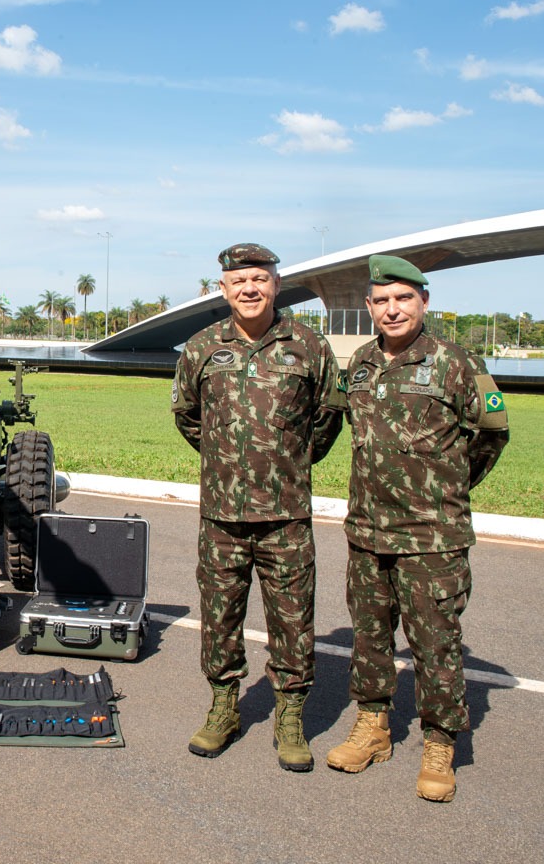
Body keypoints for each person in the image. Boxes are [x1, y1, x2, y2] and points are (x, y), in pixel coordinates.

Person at [326, 255, 509, 802]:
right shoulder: (358, 363)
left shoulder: (457, 362)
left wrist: (444, 489)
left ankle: (439, 743)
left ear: (424, 302)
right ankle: (373, 727)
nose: (392, 309)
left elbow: (490, 435)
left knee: (436, 644)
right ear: (369, 308)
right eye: (381, 301)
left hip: (433, 538)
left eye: (403, 298)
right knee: (370, 638)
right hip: (368, 532)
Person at [172, 243, 345, 771]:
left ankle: (290, 714)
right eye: (239, 280)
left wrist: (284, 462)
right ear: (222, 288)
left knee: (294, 619)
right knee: (219, 615)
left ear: (276, 284)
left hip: (286, 516)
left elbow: (328, 418)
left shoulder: (309, 347)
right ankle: (224, 705)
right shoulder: (201, 347)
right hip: (222, 516)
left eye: (260, 279)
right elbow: (187, 416)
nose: (250, 288)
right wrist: (230, 461)